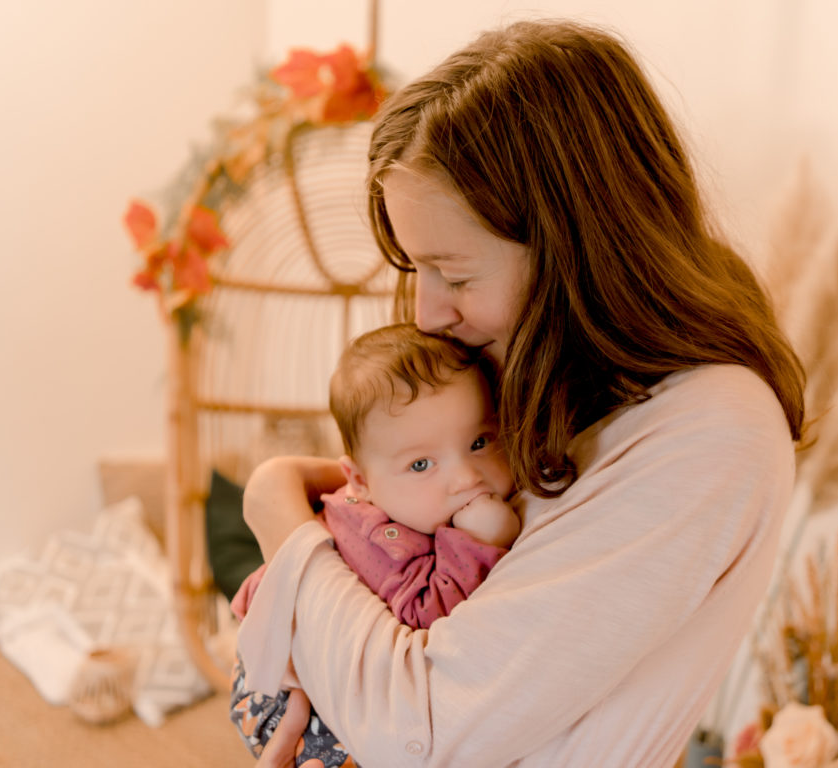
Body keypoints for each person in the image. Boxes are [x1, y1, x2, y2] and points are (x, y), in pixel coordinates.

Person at [238, 17, 805, 768]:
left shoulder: (709, 430)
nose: (426, 314)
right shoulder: (531, 393)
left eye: (457, 274)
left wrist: (281, 521)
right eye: (416, 272)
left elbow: (417, 728)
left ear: (580, 249)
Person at [230, 324, 519, 765]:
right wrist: (477, 541)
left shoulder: (405, 501)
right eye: (421, 464)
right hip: (277, 697)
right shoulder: (384, 542)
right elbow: (424, 617)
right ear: (360, 482)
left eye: (479, 442)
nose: (467, 478)